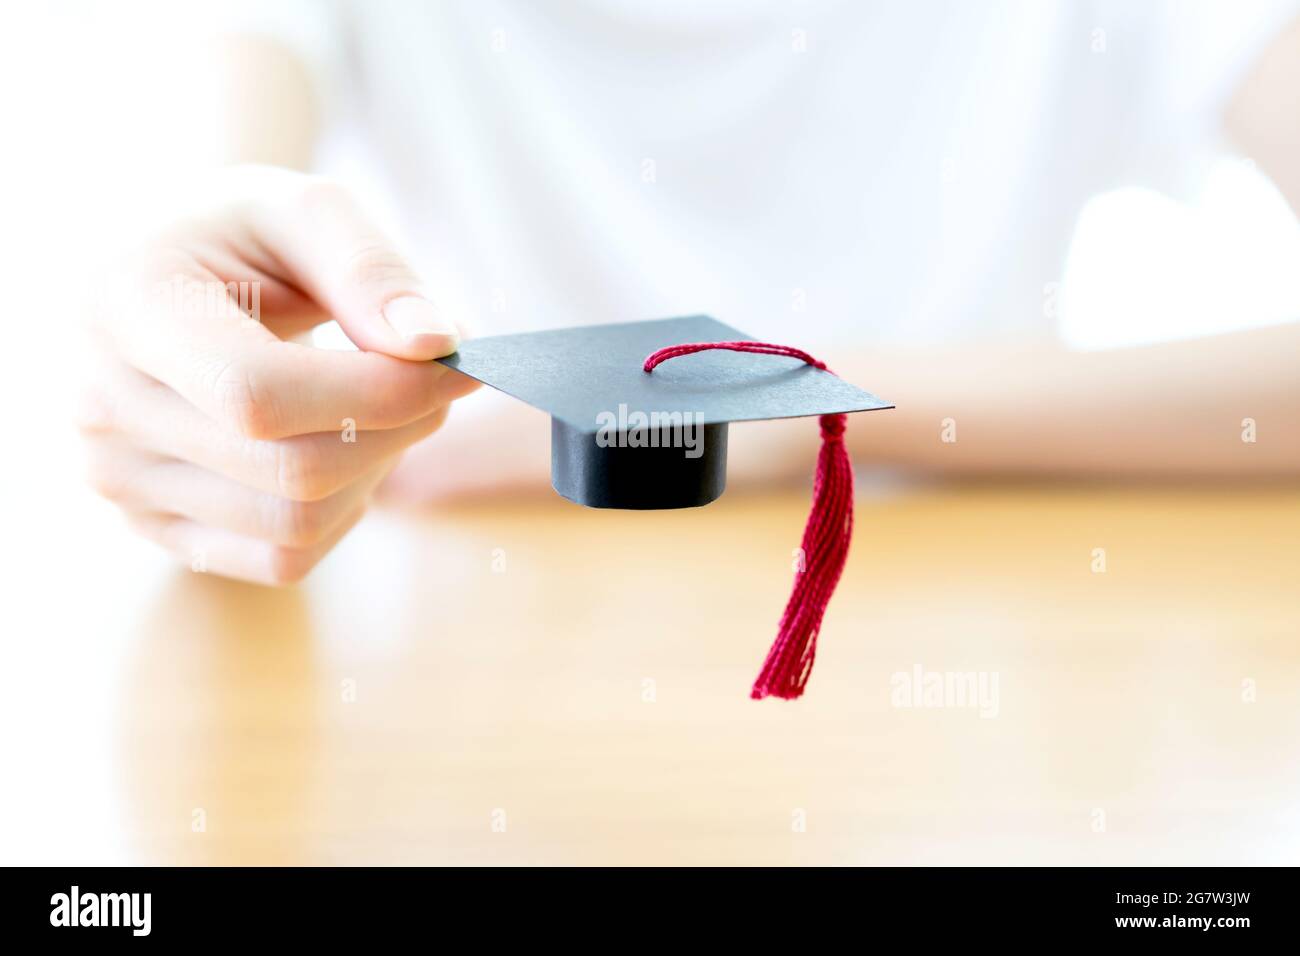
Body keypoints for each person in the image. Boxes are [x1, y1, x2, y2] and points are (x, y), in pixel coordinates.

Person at [80, 1, 1300, 585]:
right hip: (471, 620)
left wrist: (791, 408)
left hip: (966, 619)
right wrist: (182, 330)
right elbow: (217, 182)